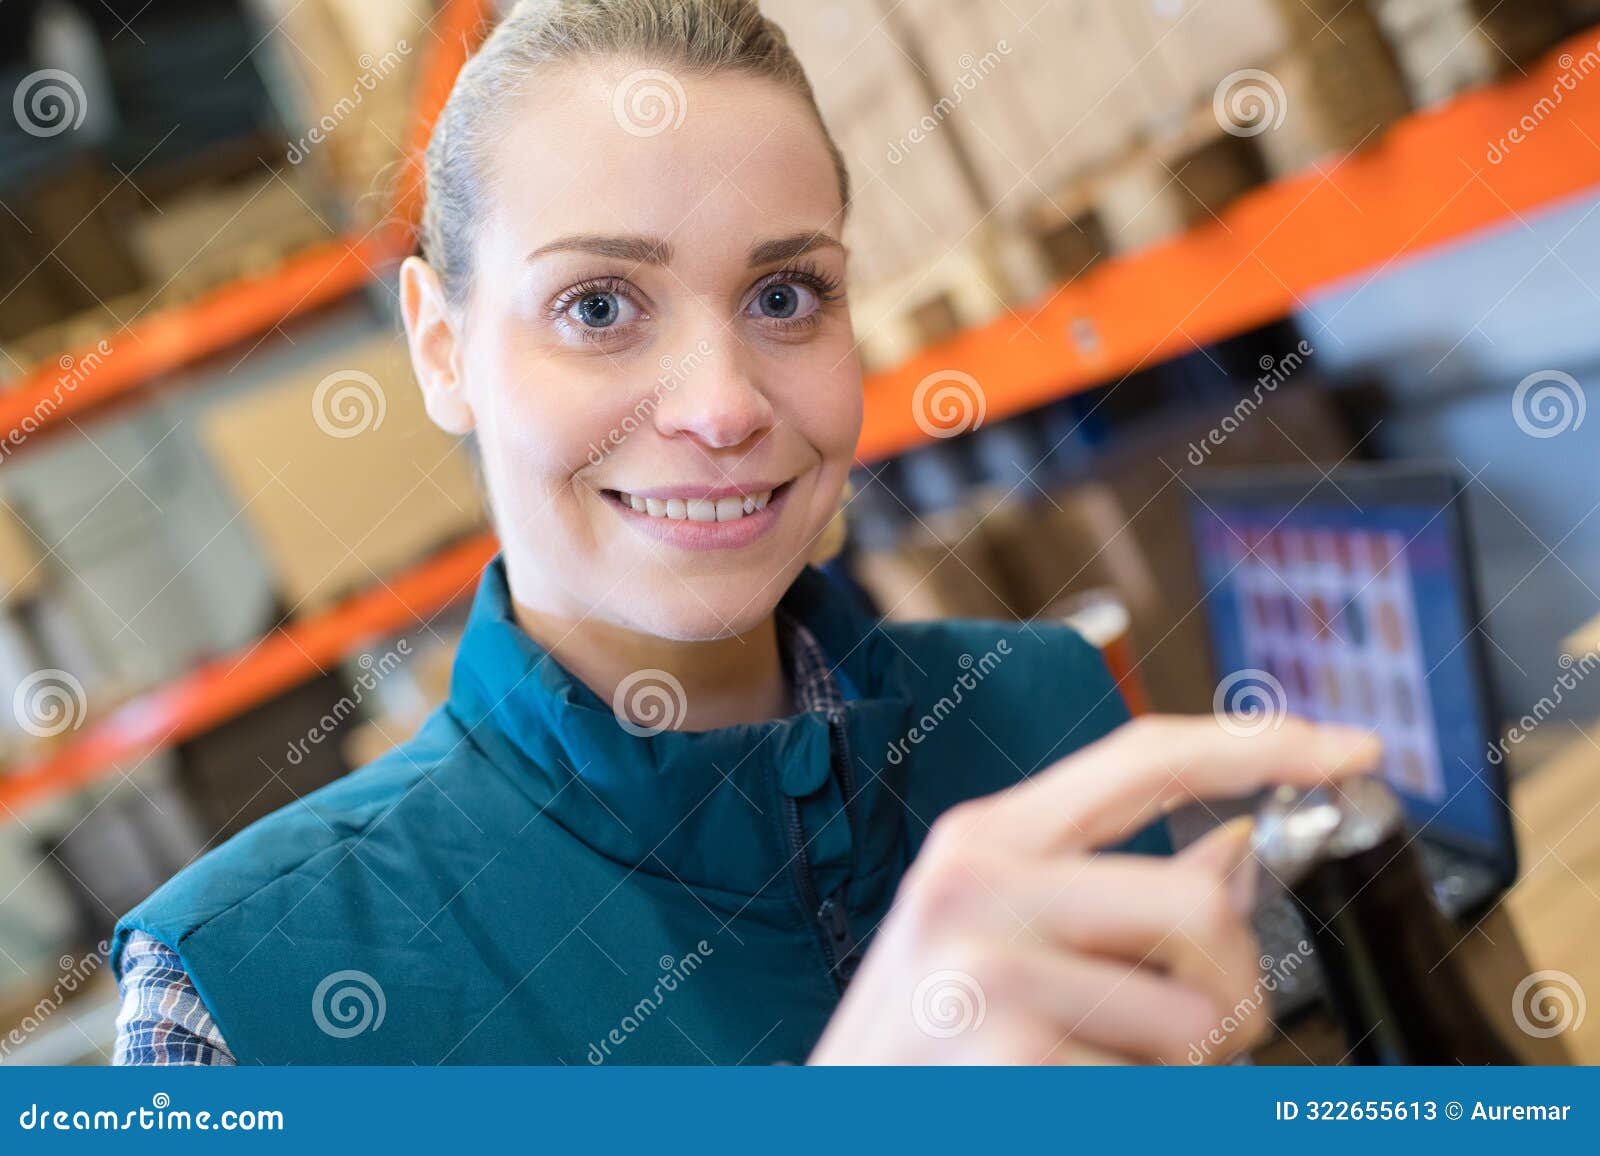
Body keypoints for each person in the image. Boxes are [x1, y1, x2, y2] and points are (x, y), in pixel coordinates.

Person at [111, 0, 1380, 1066]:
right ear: (443, 348)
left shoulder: (1042, 710)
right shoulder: (238, 991)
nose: (723, 405)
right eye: (599, 304)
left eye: (785, 295)